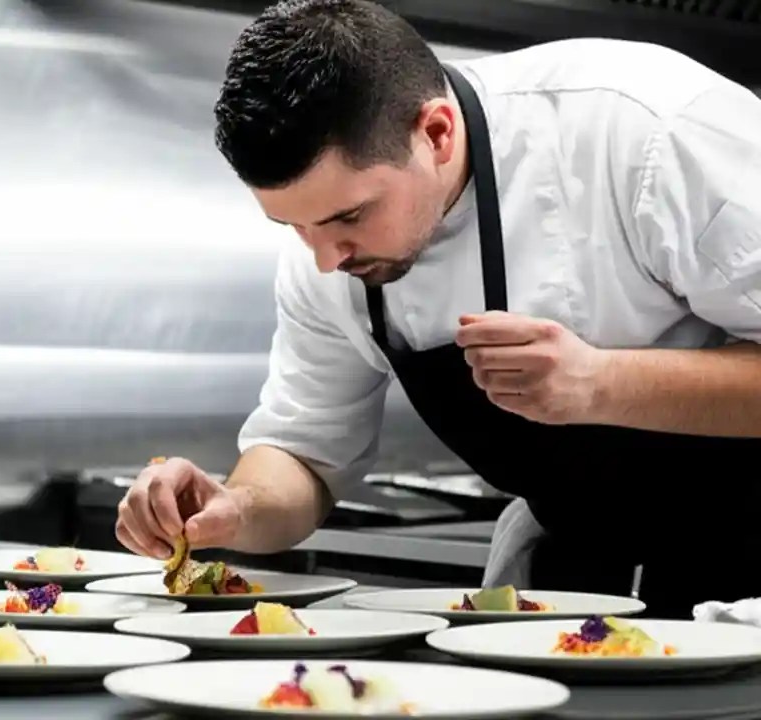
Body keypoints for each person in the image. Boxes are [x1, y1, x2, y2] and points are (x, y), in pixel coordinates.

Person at [115, 0, 761, 619]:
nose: (324, 258)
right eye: (293, 225)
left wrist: (602, 383)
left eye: (351, 216)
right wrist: (236, 507)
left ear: (436, 133)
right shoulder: (326, 250)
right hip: (580, 589)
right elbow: (308, 454)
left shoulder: (647, 129)